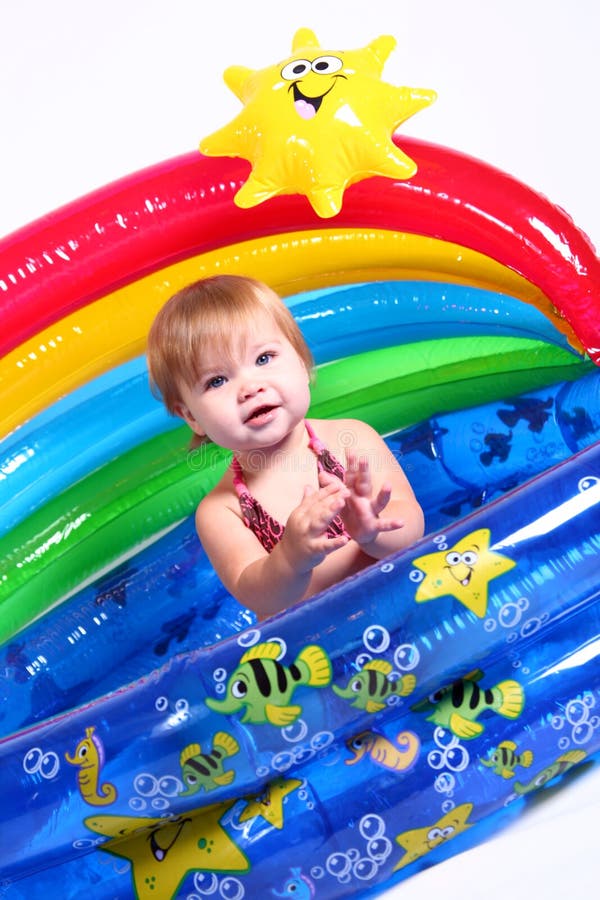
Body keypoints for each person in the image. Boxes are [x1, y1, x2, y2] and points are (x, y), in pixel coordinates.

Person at [147, 275, 424, 620]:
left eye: (263, 358)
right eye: (216, 380)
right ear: (192, 417)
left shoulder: (351, 440)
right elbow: (260, 597)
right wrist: (290, 557)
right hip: (321, 654)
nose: (250, 387)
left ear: (303, 363)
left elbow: (413, 529)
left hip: (410, 615)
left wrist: (371, 531)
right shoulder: (223, 510)